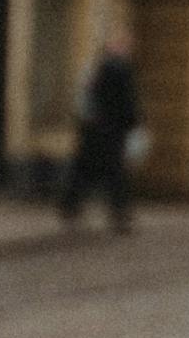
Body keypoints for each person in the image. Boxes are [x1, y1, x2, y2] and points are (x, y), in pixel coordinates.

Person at [60, 30, 140, 232]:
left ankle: (71, 206)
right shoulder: (119, 69)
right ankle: (119, 212)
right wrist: (131, 121)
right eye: (125, 46)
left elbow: (85, 97)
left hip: (94, 128)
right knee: (114, 172)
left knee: (86, 170)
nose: (128, 50)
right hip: (110, 129)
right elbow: (126, 101)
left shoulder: (96, 69)